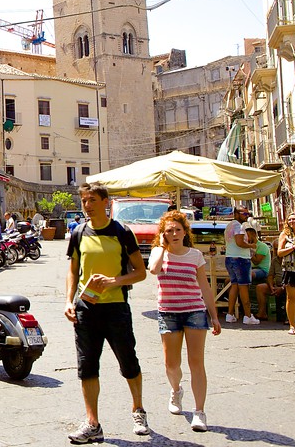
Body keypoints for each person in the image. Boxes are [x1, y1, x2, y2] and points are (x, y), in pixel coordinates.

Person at [65, 182, 149, 443]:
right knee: (87, 367)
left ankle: (138, 409)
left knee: (128, 361)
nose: (87, 206)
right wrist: (69, 301)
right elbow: (73, 270)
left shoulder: (122, 232)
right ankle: (92, 423)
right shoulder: (78, 233)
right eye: (84, 201)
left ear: (105, 202)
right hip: (86, 309)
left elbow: (140, 272)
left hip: (116, 308)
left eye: (92, 200)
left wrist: (114, 281)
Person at [147, 210, 221, 433]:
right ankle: (176, 390)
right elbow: (153, 269)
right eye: (169, 230)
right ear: (163, 234)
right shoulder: (158, 253)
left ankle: (199, 412)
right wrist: (161, 246)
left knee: (196, 363)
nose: (174, 233)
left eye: (178, 229)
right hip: (168, 312)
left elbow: (205, 287)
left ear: (184, 231)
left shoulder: (195, 256)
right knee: (171, 364)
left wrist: (214, 315)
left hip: (194, 311)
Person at [224, 207, 259, 325]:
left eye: (247, 213)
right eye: (244, 213)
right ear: (236, 214)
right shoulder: (239, 226)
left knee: (234, 285)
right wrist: (251, 246)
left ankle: (230, 314)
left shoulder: (230, 225)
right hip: (240, 259)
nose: (246, 215)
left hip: (230, 257)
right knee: (244, 287)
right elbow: (239, 242)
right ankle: (248, 315)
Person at [246, 226, 271, 315]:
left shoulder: (262, 246)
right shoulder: (246, 246)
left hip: (262, 270)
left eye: (247, 236)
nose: (246, 238)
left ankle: (260, 312)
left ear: (253, 235)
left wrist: (249, 251)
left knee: (249, 275)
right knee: (229, 281)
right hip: (250, 268)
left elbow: (257, 261)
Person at [256, 252, 286, 322]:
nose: (276, 251)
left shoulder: (289, 259)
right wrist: (271, 286)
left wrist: (282, 288)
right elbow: (270, 276)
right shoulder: (275, 260)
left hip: (289, 286)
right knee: (260, 288)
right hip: (277, 285)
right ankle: (262, 313)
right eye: (275, 249)